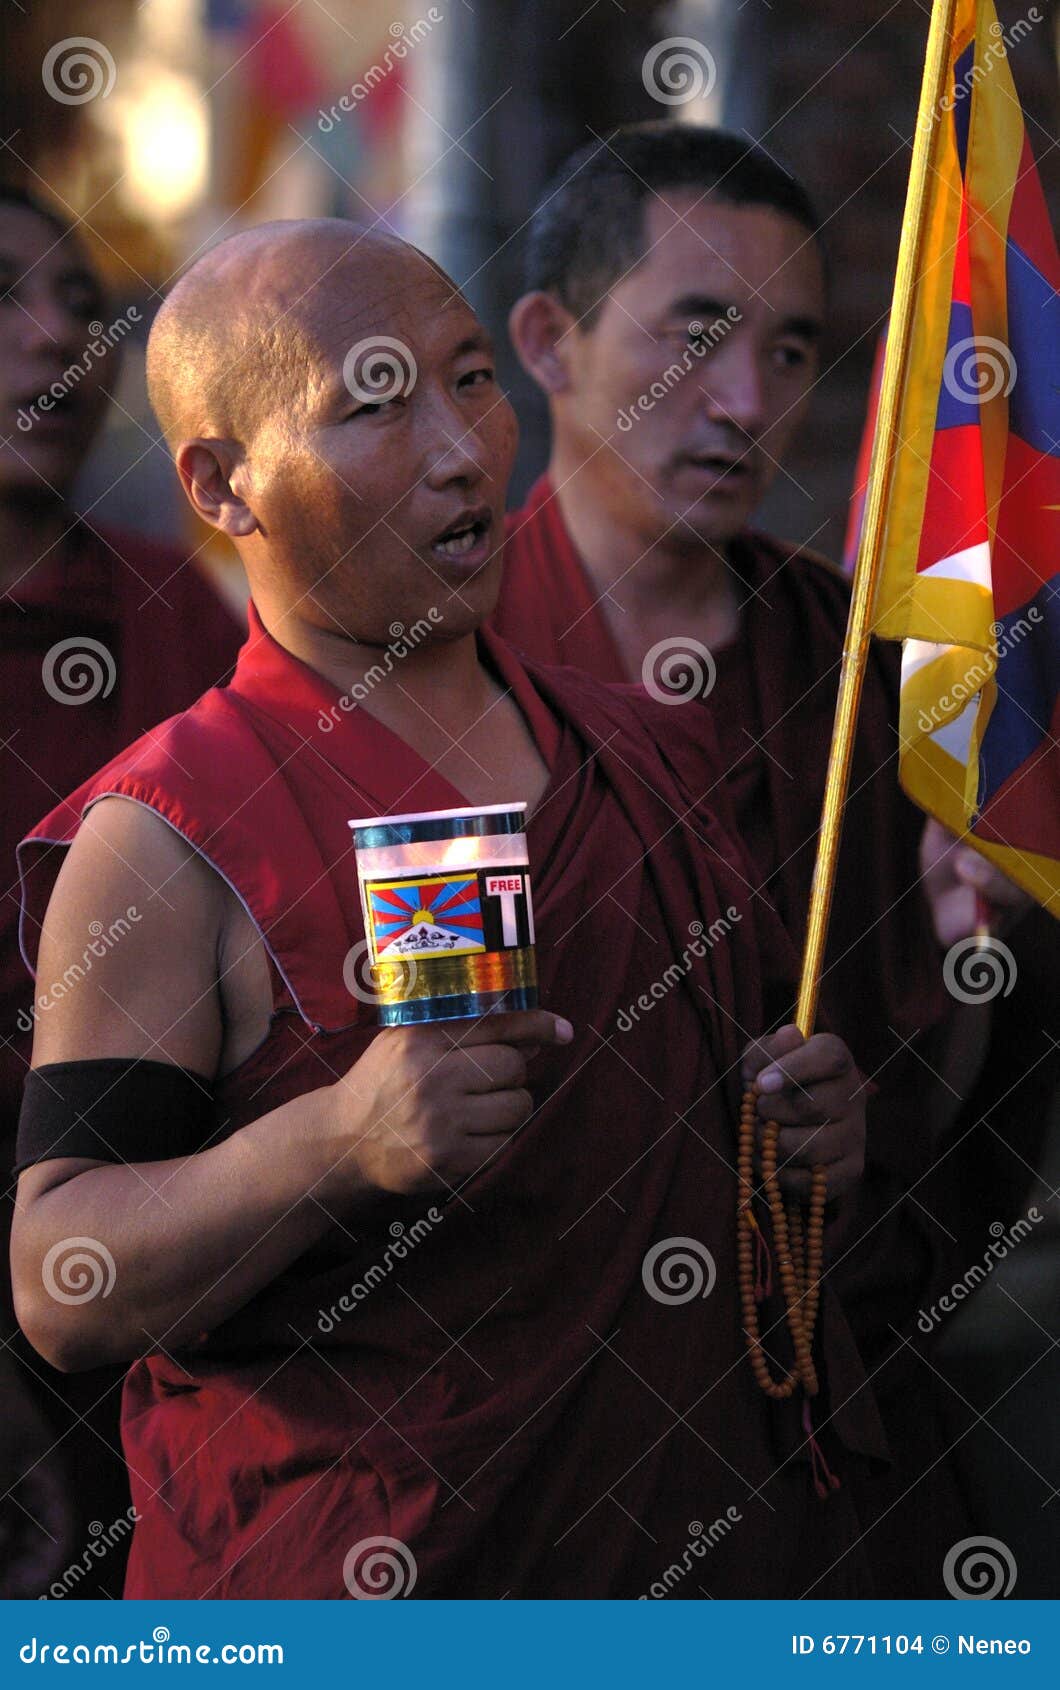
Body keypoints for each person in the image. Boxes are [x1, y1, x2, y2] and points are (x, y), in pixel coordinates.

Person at [12, 218, 881, 1599]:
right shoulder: (174, 831)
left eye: (471, 377)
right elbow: (58, 1274)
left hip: (701, 1558)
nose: (467, 448)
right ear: (225, 484)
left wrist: (801, 1123)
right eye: (376, 401)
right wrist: (333, 1141)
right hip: (369, 1585)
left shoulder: (637, 744)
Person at [493, 123, 1033, 1595]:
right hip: (531, 1419)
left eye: (792, 350)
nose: (746, 402)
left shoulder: (864, 672)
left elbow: (953, 1075)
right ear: (549, 338)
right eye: (699, 334)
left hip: (818, 1399)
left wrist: (963, 985)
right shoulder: (439, 661)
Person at [0, 185, 243, 1597]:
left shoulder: (176, 618)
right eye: (7, 303)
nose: (58, 346)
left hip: (167, 1314)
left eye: (86, 312)